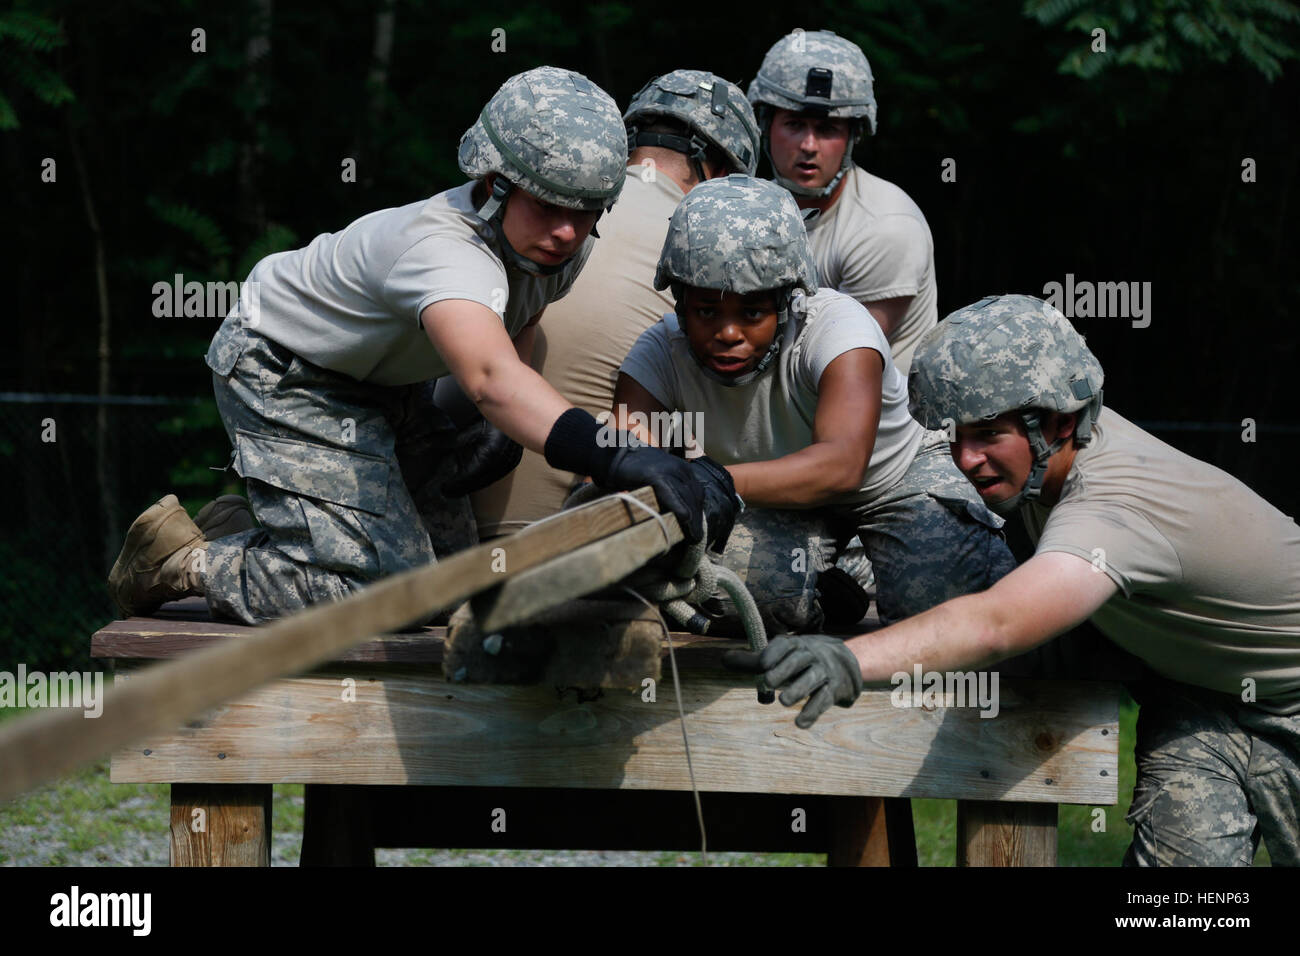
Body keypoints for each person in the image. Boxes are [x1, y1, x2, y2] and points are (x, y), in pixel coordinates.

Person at [107, 66, 738, 625]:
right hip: (285, 369)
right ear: (496, 182)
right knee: (391, 597)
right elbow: (492, 378)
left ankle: (267, 535)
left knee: (456, 582)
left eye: (587, 208)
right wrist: (613, 452)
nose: (567, 229)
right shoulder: (445, 254)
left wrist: (494, 424)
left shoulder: (561, 244)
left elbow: (515, 329)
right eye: (548, 205)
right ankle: (182, 560)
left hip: (383, 385)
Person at [732, 293, 1300, 866]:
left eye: (987, 435)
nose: (965, 458)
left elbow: (996, 622)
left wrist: (848, 660)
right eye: (956, 435)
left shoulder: (1112, 507)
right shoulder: (1055, 452)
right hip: (1197, 701)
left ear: (1057, 421)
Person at [613, 175, 1015, 631]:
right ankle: (826, 594)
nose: (727, 333)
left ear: (788, 301)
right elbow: (626, 462)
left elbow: (841, 465)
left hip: (895, 476)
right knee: (730, 592)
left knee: (950, 611)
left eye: (752, 312)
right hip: (772, 494)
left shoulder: (838, 329)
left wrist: (708, 481)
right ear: (679, 302)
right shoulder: (657, 354)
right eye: (707, 311)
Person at [471, 68, 759, 538]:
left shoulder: (537, 215)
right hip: (572, 553)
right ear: (724, 173)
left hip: (444, 532)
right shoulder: (716, 257)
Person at [749, 29, 937, 376]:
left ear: (852, 137)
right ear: (766, 125)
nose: (808, 144)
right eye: (794, 124)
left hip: (874, 426)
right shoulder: (752, 207)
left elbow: (841, 357)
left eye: (827, 129)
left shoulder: (885, 226)